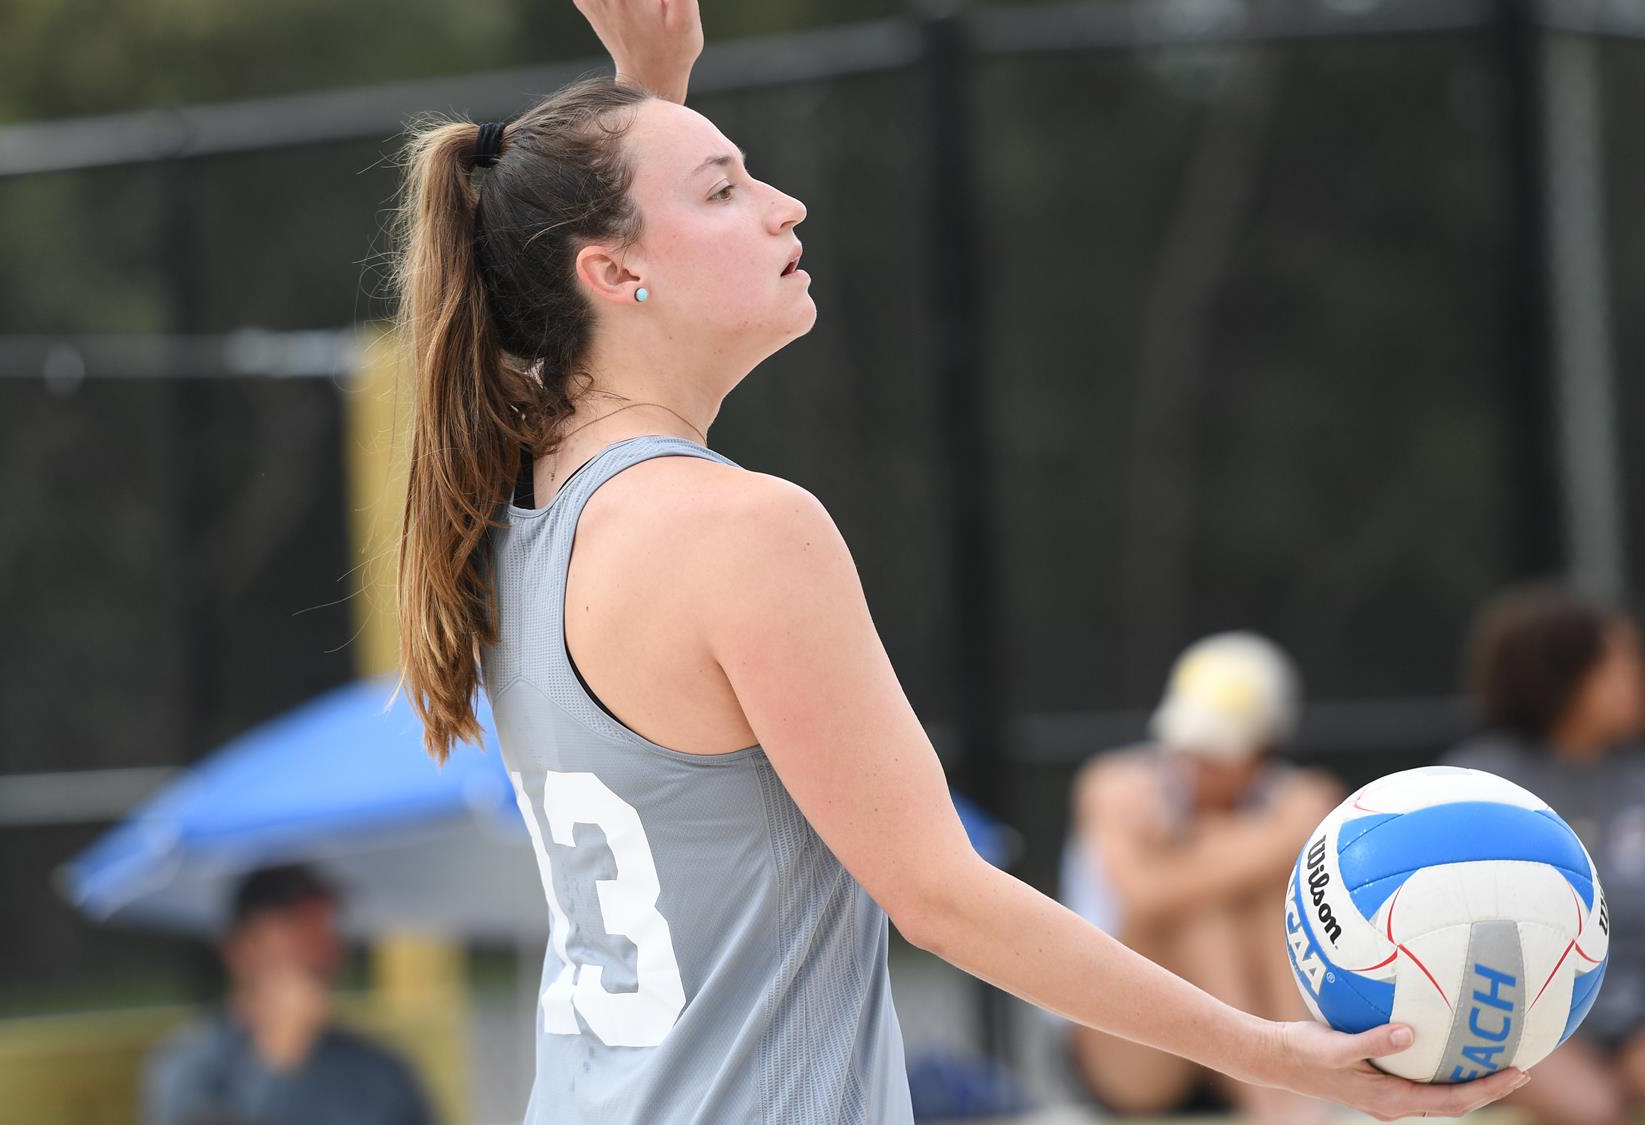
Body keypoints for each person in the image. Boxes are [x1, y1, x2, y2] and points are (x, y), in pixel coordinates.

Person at [388, 1, 1525, 1119]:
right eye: (726, 187)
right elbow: (940, 899)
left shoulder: (510, 505)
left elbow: (580, 316)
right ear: (609, 271)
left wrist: (652, 99)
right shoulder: (740, 530)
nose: (784, 206)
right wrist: (1281, 1057)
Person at [1440, 583, 1645, 1125]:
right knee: (1594, 1108)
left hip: (1640, 1022)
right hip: (1515, 1021)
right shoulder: (1478, 785)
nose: (1639, 681)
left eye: (1638, 662)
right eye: (1614, 664)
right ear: (1555, 671)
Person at [1059, 632, 1345, 1122]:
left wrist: (1194, 850)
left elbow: (1157, 885)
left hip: (1241, 1033)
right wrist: (1237, 848)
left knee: (1260, 898)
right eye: (1190, 747)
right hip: (1135, 1057)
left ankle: (1287, 1092)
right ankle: (1285, 1099)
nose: (1197, 767)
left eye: (1217, 751)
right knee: (1205, 910)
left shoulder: (1300, 796)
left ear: (1262, 748)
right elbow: (1143, 898)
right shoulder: (1116, 784)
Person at [141, 864, 435, 1125]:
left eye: (325, 925)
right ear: (239, 948)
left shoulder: (381, 1071)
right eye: (295, 925)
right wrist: (279, 1063)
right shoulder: (194, 1067)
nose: (318, 944)